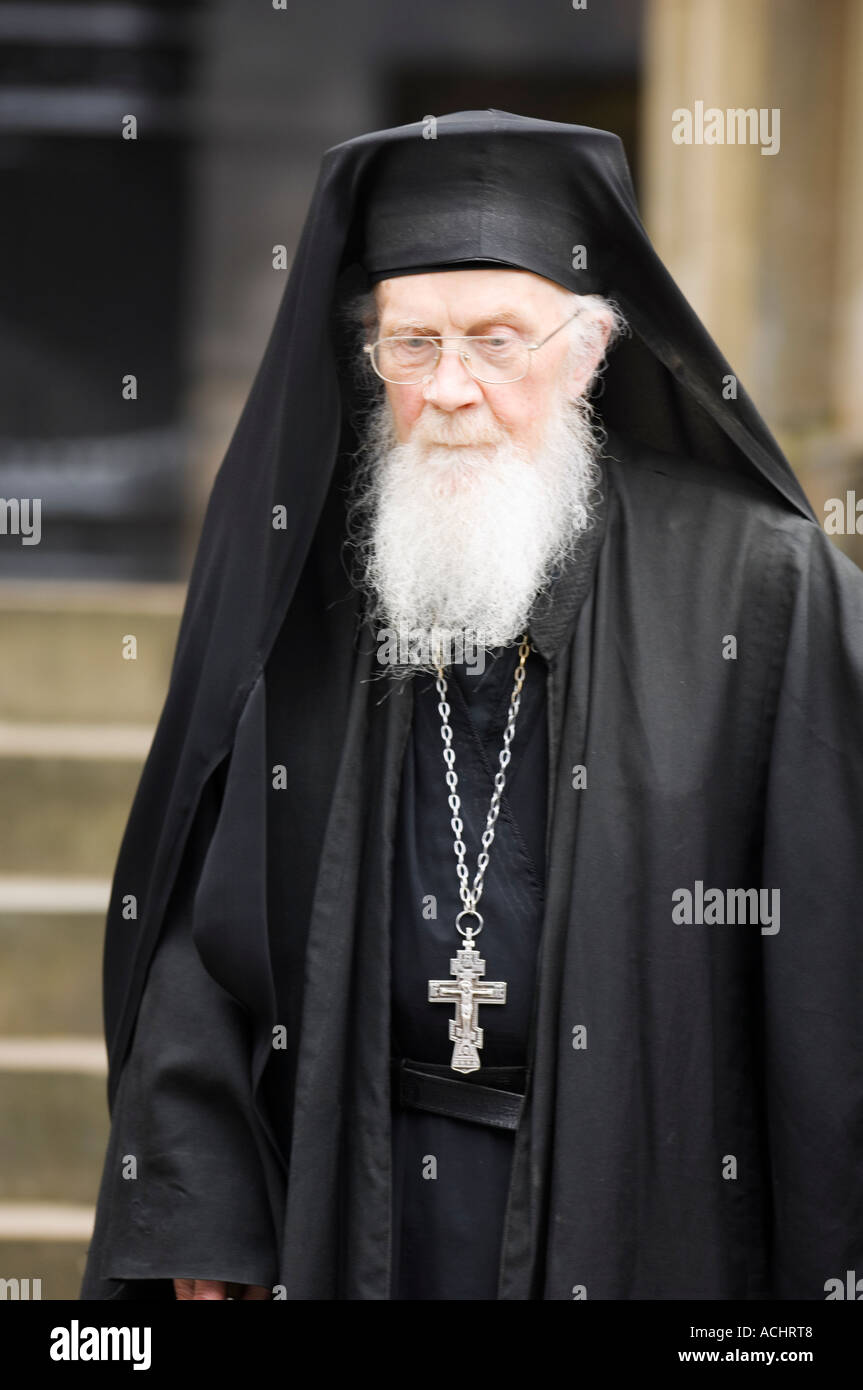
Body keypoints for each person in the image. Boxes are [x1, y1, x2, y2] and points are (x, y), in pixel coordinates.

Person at [80, 110, 863, 1302]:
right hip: (349, 1198)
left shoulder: (761, 588)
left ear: (590, 347)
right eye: (412, 346)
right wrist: (204, 1220)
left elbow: (829, 963)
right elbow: (203, 923)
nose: (449, 389)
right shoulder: (313, 587)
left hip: (637, 1205)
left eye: (495, 343)